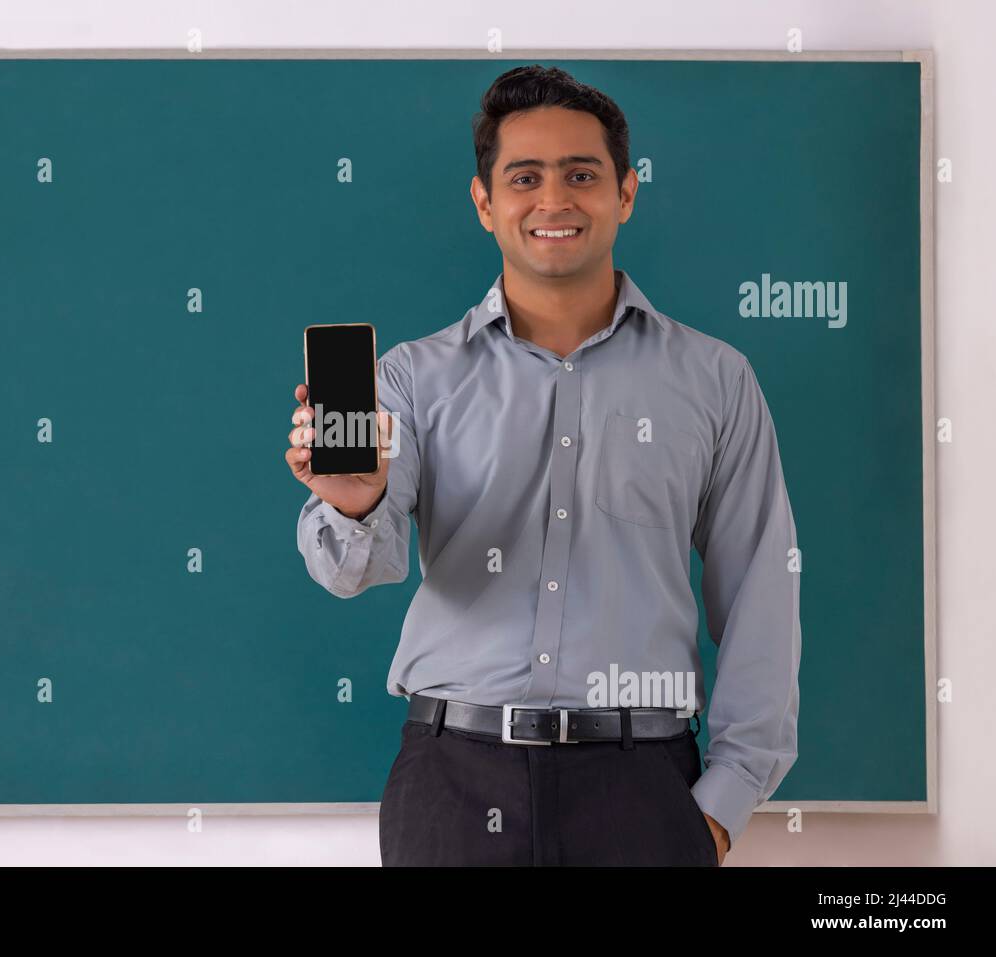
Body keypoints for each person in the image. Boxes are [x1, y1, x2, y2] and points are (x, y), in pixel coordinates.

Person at [285, 65, 800, 866]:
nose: (554, 200)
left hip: (643, 788)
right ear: (484, 203)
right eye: (524, 178)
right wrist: (357, 503)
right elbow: (356, 572)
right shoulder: (412, 379)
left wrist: (722, 805)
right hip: (452, 787)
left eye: (581, 175)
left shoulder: (715, 379)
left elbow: (762, 589)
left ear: (625, 193)